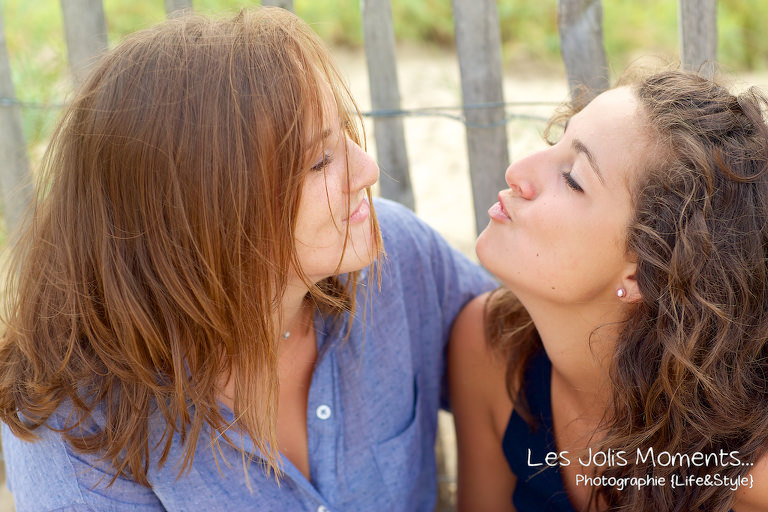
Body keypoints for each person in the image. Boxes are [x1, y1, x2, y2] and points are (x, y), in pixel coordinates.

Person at [0, 8, 494, 511]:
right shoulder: (73, 425)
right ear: (205, 213)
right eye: (321, 161)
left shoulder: (396, 257)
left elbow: (524, 366)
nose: (367, 170)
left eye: (346, 135)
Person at [449, 69, 768, 512]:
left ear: (646, 272)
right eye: (556, 139)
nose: (517, 171)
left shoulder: (750, 477)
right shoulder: (488, 344)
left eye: (573, 178)